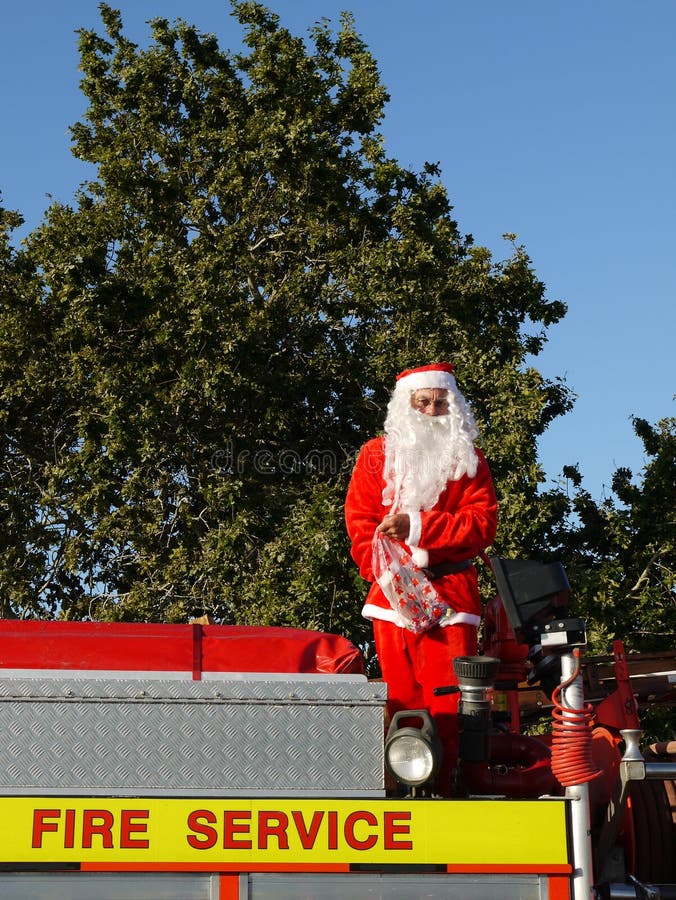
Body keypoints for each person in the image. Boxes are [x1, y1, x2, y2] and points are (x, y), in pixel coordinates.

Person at [344, 363, 498, 790]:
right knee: (400, 699)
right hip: (394, 597)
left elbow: (481, 524)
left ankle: (449, 789)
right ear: (406, 407)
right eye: (423, 402)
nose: (432, 410)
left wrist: (417, 526)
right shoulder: (375, 455)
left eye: (440, 402)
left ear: (452, 406)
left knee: (449, 703)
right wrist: (383, 567)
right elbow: (359, 520)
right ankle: (402, 789)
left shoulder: (468, 459)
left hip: (449, 596)